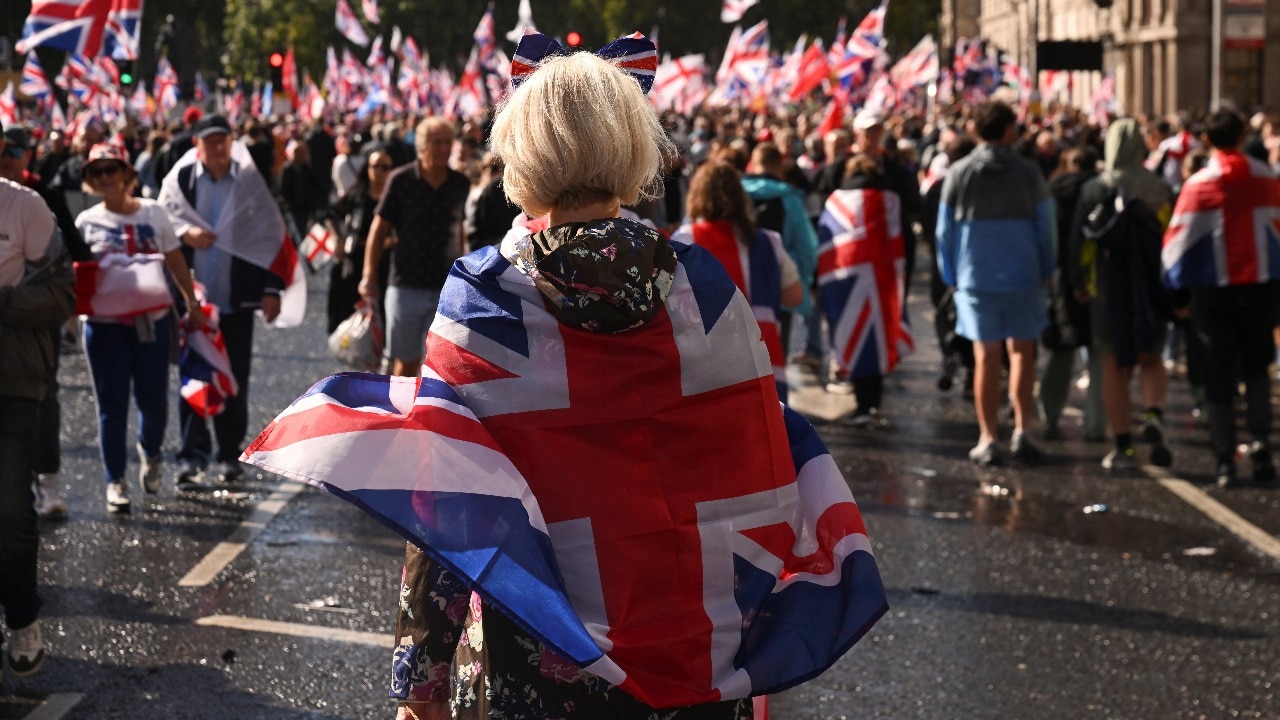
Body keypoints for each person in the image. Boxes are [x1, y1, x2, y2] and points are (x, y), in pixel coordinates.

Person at [239, 37, 885, 720]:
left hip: (539, 658)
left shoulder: (486, 299)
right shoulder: (706, 287)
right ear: (635, 143)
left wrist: (422, 682)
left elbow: (447, 499)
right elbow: (757, 464)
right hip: (695, 658)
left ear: (520, 149)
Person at [158, 114, 286, 487]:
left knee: (234, 380)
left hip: (236, 300)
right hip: (192, 301)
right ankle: (191, 456)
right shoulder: (181, 181)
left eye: (222, 141)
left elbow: (270, 235)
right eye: (209, 141)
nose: (216, 148)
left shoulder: (249, 182)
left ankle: (229, 454)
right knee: (194, 379)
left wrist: (271, 289)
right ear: (197, 144)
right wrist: (186, 233)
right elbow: (161, 224)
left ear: (232, 143)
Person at [75, 143, 203, 512]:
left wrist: (191, 302)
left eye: (110, 169)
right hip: (103, 326)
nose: (104, 178)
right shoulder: (86, 223)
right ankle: (114, 480)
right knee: (111, 405)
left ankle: (150, 452)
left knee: (153, 400)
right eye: (96, 172)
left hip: (152, 322)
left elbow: (177, 260)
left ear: (127, 174)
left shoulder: (153, 213)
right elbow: (75, 277)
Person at [1162, 108, 1280, 488]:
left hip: (1214, 294)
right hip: (1260, 288)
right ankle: (1261, 446)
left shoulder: (1199, 185)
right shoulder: (1268, 178)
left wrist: (1176, 293)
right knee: (1257, 368)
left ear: (1207, 140)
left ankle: (1225, 460)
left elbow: (1176, 245)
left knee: (1219, 377)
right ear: (1244, 133)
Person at [936, 101, 1057, 466]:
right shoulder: (1029, 172)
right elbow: (1046, 227)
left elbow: (945, 231)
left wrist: (950, 276)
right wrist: (1047, 268)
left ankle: (988, 436)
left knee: (985, 357)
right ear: (1008, 130)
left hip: (975, 275)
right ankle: (1023, 429)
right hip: (1023, 274)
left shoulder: (958, 173)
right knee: (1023, 352)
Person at [0, 170, 74, 678]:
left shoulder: (26, 207)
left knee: (8, 508)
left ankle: (22, 616)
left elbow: (63, 292)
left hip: (13, 375)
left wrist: (4, 303)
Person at [1071, 119, 1175, 471]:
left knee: (1114, 365)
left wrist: (1078, 282)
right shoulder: (1161, 189)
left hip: (1108, 287)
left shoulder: (1094, 189)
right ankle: (1153, 412)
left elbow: (1080, 243)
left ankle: (1123, 445)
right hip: (1151, 285)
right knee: (1151, 355)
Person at [673, 159, 803, 402]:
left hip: (707, 366)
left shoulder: (684, 241)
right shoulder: (769, 241)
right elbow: (795, 296)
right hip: (762, 359)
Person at [358, 117, 469, 376]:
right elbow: (378, 230)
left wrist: (463, 275)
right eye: (437, 143)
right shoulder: (400, 180)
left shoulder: (459, 184)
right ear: (422, 146)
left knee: (441, 363)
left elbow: (458, 231)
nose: (444, 148)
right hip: (406, 284)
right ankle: (402, 414)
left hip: (445, 286)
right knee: (405, 363)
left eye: (447, 142)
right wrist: (368, 276)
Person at [818, 153, 914, 426]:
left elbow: (825, 237)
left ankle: (862, 404)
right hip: (883, 277)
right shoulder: (890, 200)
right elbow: (905, 239)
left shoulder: (835, 201)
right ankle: (874, 401)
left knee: (855, 335)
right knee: (879, 338)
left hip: (843, 278)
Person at [1039, 145, 1105, 443]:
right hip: (1097, 276)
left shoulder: (1053, 191)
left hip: (1060, 278)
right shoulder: (1104, 192)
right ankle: (1095, 424)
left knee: (1060, 351)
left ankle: (1049, 414)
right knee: (1098, 354)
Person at [325, 147, 393, 333]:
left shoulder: (395, 198)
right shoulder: (358, 194)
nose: (379, 171)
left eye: (385, 167)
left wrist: (393, 240)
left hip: (385, 259)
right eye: (375, 166)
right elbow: (331, 214)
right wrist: (338, 239)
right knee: (347, 302)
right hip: (355, 257)